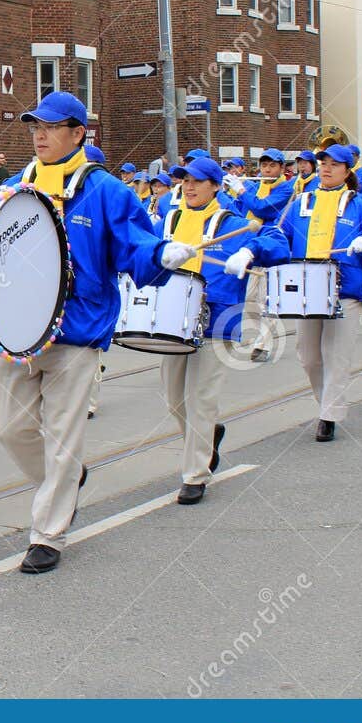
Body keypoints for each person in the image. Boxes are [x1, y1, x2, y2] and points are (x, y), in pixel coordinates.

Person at [0, 92, 182, 574]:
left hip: (78, 331)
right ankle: (66, 479)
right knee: (8, 429)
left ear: (79, 134)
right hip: (18, 332)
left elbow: (135, 247)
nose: (39, 134)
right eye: (34, 125)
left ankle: (48, 533)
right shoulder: (17, 186)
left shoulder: (107, 191)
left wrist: (160, 256)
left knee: (61, 436)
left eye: (51, 126)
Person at [249, 144, 362, 444]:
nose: (326, 168)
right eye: (323, 163)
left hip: (345, 287)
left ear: (346, 170)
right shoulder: (301, 202)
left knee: (336, 355)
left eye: (334, 164)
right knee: (309, 356)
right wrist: (255, 251)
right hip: (305, 288)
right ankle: (327, 401)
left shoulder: (359, 205)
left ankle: (328, 415)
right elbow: (278, 235)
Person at [158, 156, 252, 504]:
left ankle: (195, 474)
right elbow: (140, 247)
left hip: (215, 319)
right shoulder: (168, 220)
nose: (189, 186)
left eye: (197, 181)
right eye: (184, 180)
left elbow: (272, 241)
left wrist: (247, 251)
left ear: (215, 185)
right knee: (173, 398)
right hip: (171, 319)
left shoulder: (231, 222)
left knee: (200, 398)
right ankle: (208, 435)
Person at [225, 148, 293, 363]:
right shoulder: (254, 186)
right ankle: (258, 337)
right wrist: (223, 189)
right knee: (249, 299)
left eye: (272, 166)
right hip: (249, 247)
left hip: (271, 247)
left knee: (267, 299)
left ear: (281, 168)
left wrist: (242, 190)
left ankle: (263, 343)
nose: (267, 169)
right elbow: (236, 210)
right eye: (264, 165)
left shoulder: (285, 189)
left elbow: (263, 209)